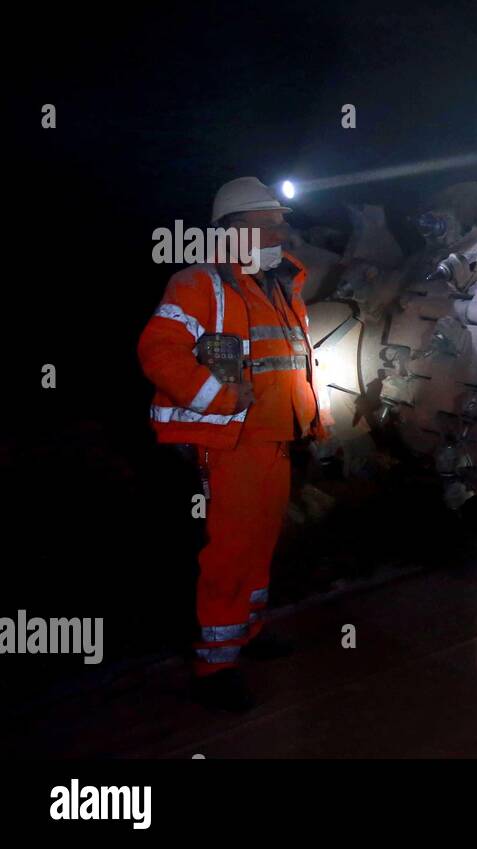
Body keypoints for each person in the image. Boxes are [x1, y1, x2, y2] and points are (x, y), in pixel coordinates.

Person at [138, 177, 332, 711]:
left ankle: (247, 632)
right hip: (230, 441)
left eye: (280, 220)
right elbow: (158, 351)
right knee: (230, 550)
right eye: (268, 221)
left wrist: (314, 417)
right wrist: (218, 397)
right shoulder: (201, 283)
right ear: (233, 229)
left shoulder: (278, 282)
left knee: (261, 541)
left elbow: (295, 359)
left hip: (273, 437)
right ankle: (214, 665)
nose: (281, 229)